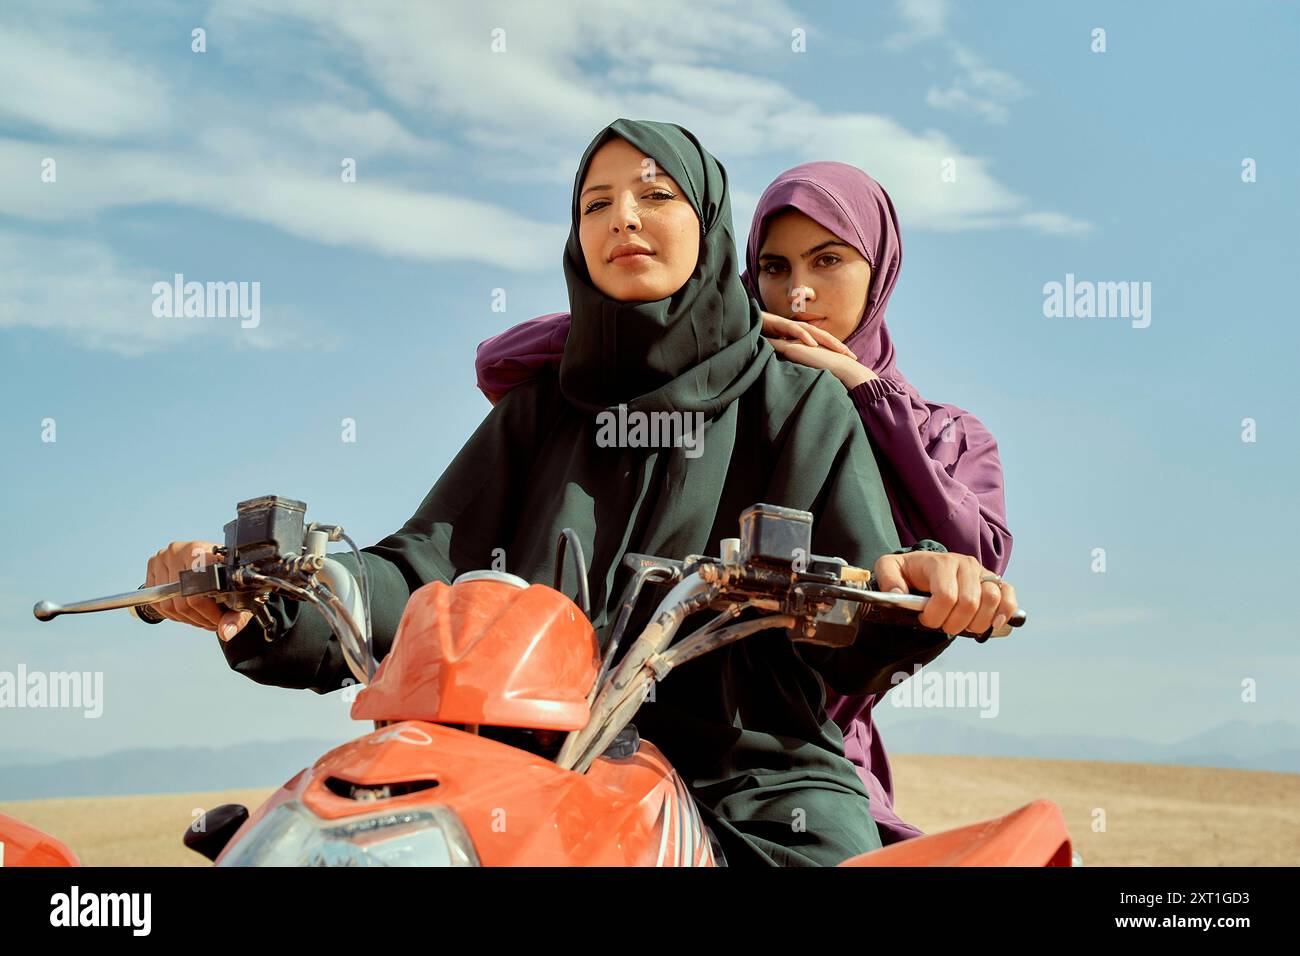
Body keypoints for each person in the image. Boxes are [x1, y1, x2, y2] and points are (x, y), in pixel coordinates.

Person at [146, 120, 1017, 866]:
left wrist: (923, 583)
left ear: (709, 227)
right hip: (520, 759)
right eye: (595, 204)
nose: (622, 218)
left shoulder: (798, 404)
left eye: (654, 195)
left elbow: (864, 591)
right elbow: (418, 570)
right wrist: (271, 594)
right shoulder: (540, 407)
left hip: (745, 771)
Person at [474, 162, 1013, 844]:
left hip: (805, 747)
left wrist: (865, 393)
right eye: (774, 268)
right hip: (638, 720)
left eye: (828, 261)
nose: (799, 292)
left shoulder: (947, 432)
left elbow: (974, 561)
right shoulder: (739, 401)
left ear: (879, 270)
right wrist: (708, 324)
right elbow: (499, 361)